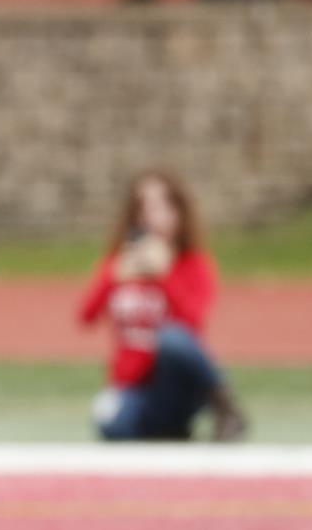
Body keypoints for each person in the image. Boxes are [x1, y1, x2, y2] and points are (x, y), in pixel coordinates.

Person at [77, 170, 247, 442]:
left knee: (170, 339)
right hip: (132, 386)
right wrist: (113, 276)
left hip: (175, 384)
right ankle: (168, 431)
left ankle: (224, 406)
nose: (149, 215)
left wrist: (165, 275)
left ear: (179, 212)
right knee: (111, 426)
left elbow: (191, 326)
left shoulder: (192, 264)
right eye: (142, 206)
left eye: (160, 206)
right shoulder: (120, 263)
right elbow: (85, 317)